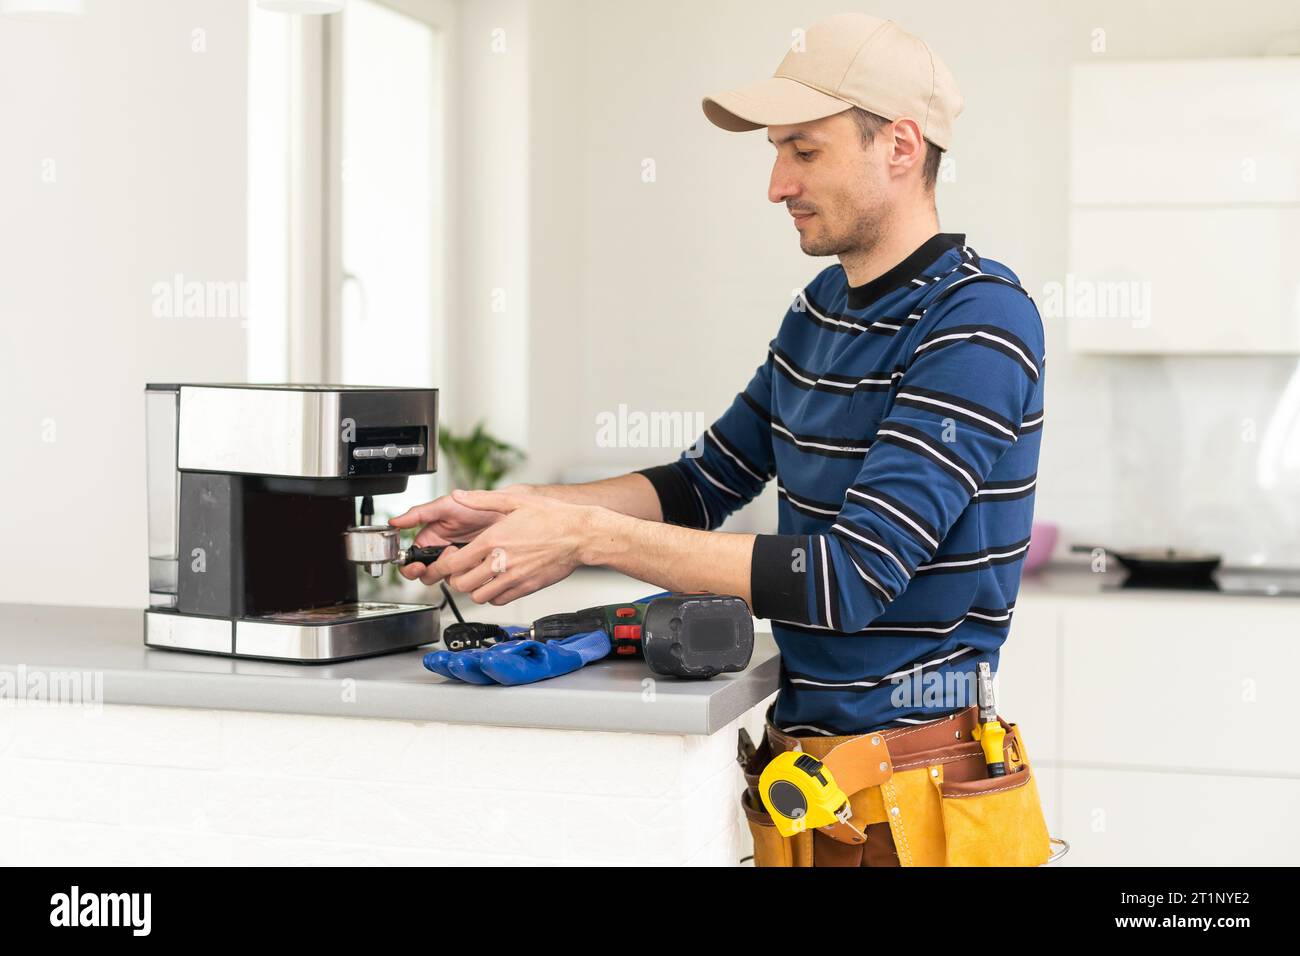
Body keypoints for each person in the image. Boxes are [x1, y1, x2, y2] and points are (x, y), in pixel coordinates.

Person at [392, 12, 1045, 743]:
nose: (777, 185)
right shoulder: (819, 312)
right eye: (775, 152)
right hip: (806, 767)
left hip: (918, 790)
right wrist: (522, 510)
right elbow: (700, 486)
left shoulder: (977, 322)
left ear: (899, 145)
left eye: (804, 150)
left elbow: (851, 576)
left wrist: (586, 538)